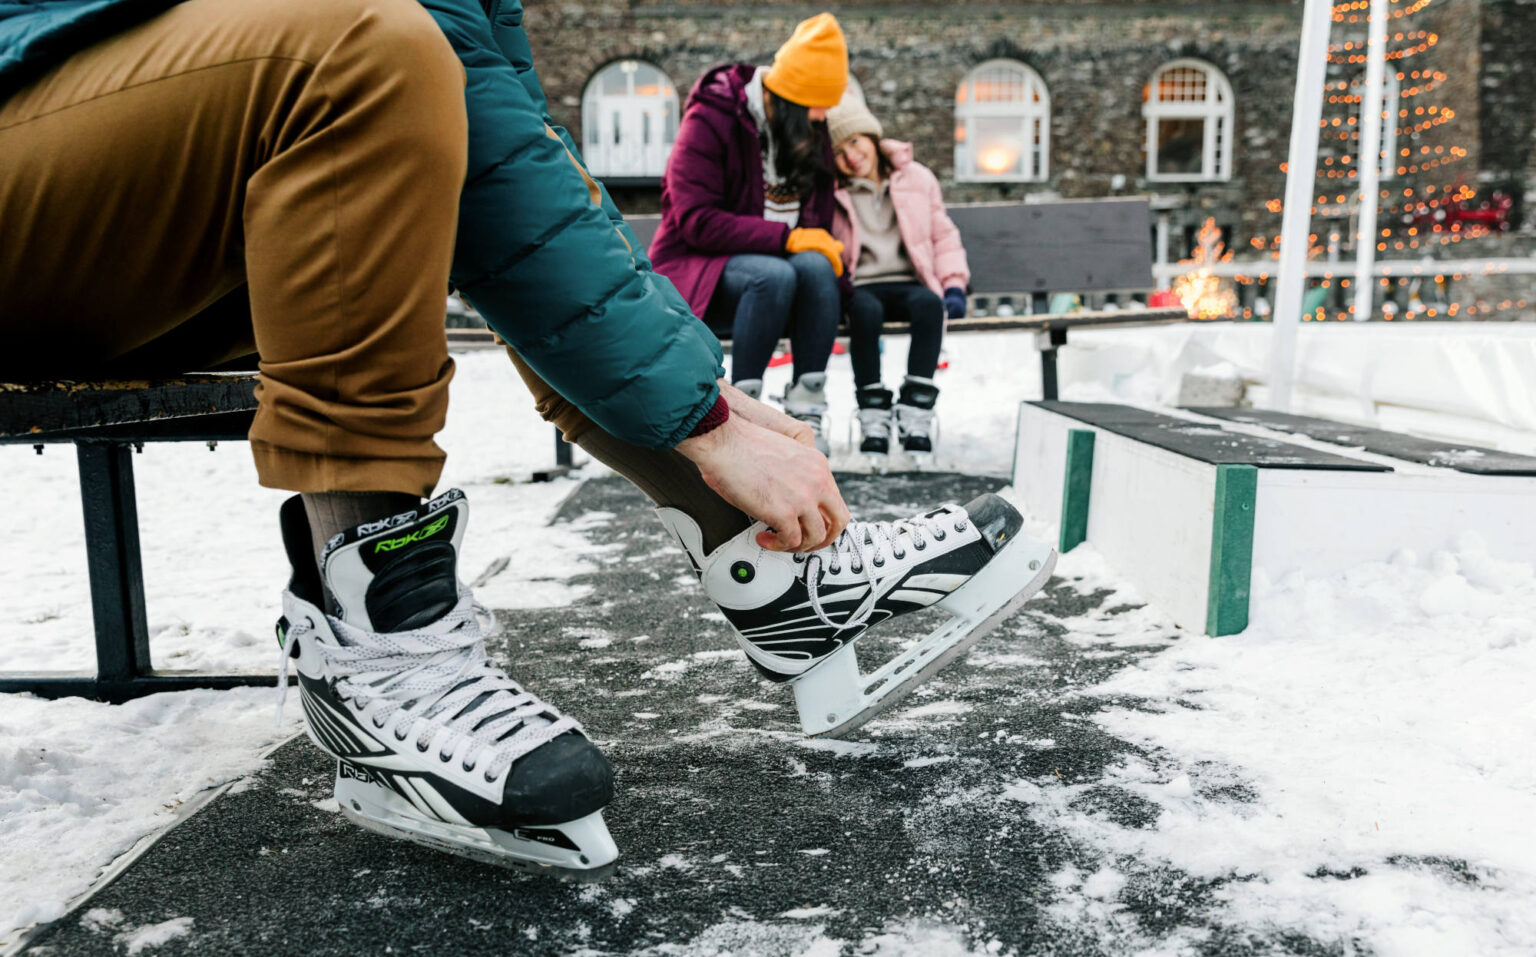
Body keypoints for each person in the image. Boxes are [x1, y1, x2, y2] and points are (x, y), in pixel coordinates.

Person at [0, 0, 1053, 879]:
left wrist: (703, 413)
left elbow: (510, 158)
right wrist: (705, 412)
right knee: (365, 58)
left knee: (441, 120)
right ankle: (379, 644)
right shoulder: (714, 116)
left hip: (152, 181)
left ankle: (765, 565)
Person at [648, 13, 851, 454]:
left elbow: (816, 227)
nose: (824, 116)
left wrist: (823, 260)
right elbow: (695, 219)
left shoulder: (807, 128)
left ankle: (808, 403)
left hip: (782, 280)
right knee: (773, 273)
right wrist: (787, 238)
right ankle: (743, 408)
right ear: (787, 99)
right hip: (702, 268)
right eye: (817, 105)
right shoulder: (713, 116)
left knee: (817, 266)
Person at [826, 96, 971, 465]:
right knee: (863, 312)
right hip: (862, 284)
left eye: (855, 142)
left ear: (872, 137)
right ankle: (873, 414)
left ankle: (915, 411)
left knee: (928, 306)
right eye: (839, 151)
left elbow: (943, 235)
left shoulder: (917, 179)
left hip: (910, 279)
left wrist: (953, 284)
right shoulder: (832, 192)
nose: (851, 156)